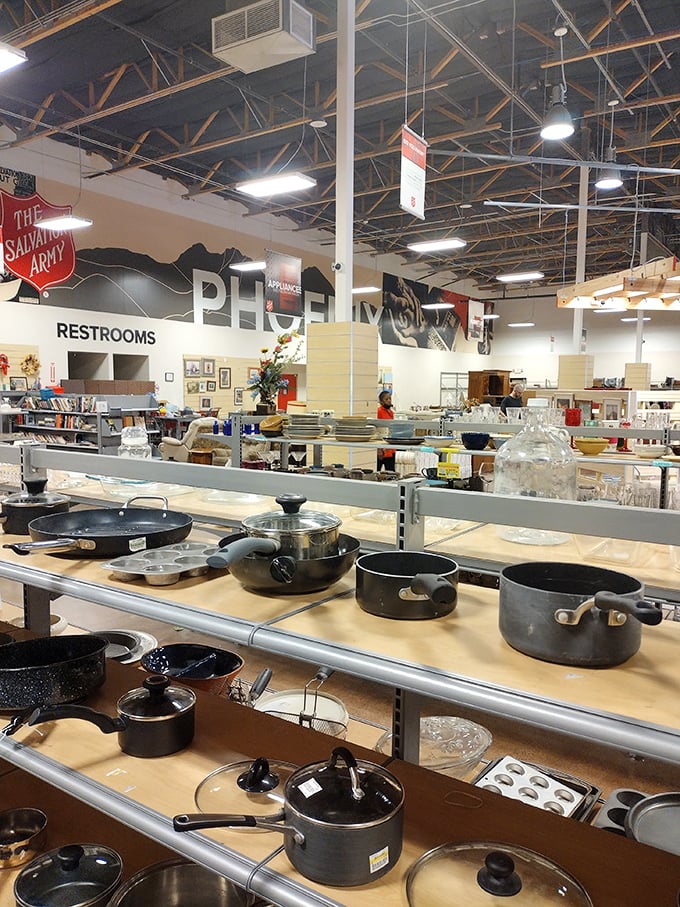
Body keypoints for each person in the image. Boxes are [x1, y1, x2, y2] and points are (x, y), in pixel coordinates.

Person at [377, 390, 395, 472]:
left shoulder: (391, 412)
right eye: (386, 399)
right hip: (381, 447)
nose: (389, 401)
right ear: (381, 401)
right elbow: (377, 429)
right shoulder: (379, 411)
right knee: (377, 471)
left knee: (391, 472)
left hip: (390, 448)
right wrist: (379, 449)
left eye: (390, 398)